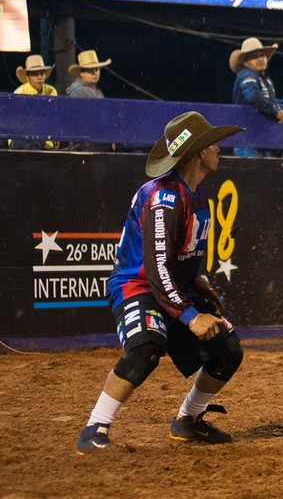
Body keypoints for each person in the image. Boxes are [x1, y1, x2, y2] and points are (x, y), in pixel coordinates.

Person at [75, 111, 245, 454]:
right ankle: (94, 428)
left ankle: (188, 420)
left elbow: (174, 259)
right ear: (199, 152)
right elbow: (155, 268)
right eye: (213, 145)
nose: (218, 150)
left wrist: (197, 282)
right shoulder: (163, 198)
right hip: (136, 287)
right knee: (146, 346)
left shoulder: (195, 197)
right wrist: (189, 315)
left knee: (227, 348)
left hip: (169, 289)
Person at [229, 37, 283, 156]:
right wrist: (275, 112)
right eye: (255, 56)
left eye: (262, 55)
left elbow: (269, 101)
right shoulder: (245, 74)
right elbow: (253, 97)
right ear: (245, 62)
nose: (261, 59)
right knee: (256, 172)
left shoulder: (264, 79)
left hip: (261, 138)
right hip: (248, 139)